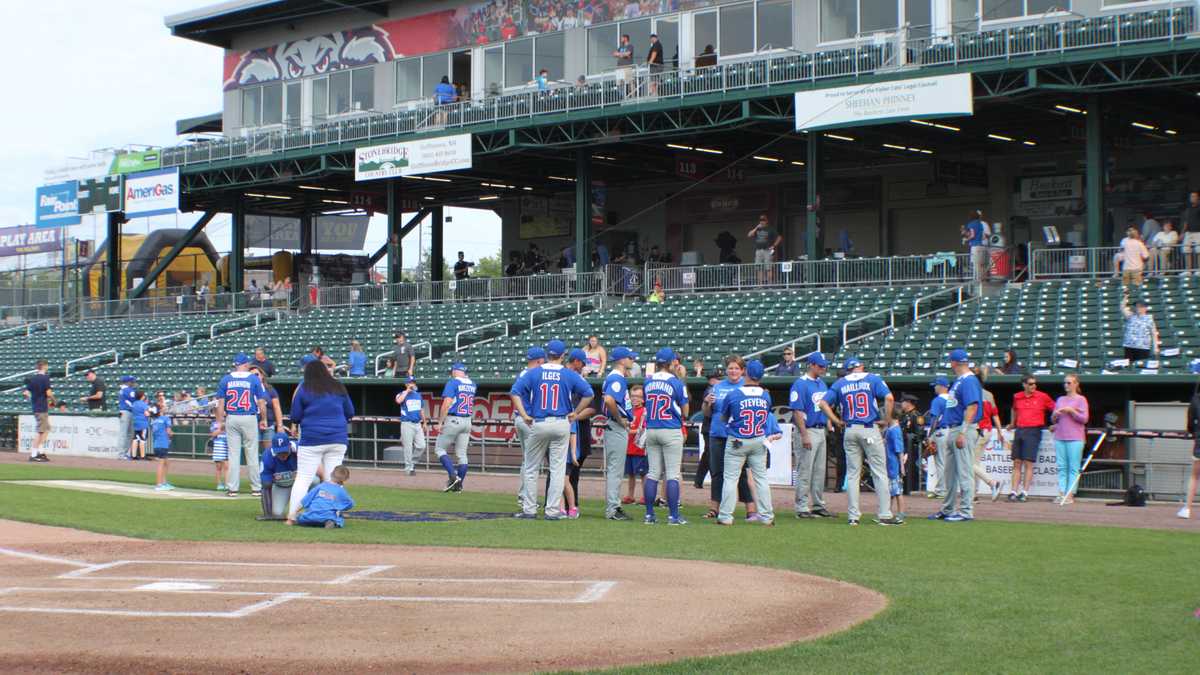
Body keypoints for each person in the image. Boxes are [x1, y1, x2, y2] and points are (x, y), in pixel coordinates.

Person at [510, 340, 594, 520]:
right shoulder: (568, 374)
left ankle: (529, 510)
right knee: (557, 469)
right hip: (561, 422)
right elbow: (589, 394)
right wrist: (576, 412)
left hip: (539, 422)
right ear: (563, 356)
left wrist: (524, 414)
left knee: (531, 468)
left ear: (547, 355)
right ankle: (552, 511)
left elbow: (515, 392)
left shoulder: (535, 372)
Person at [818, 357, 899, 526]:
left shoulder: (841, 383)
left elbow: (823, 403)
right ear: (861, 367)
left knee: (853, 474)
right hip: (869, 427)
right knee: (879, 472)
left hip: (850, 428)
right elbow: (889, 398)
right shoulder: (872, 378)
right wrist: (887, 420)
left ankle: (853, 515)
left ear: (848, 370)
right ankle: (884, 514)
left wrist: (836, 420)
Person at [286, 360, 356, 523]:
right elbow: (350, 412)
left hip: (312, 439)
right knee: (333, 479)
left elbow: (295, 416)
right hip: (337, 438)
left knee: (303, 478)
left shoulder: (304, 388)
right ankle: (333, 514)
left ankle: (292, 515)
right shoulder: (338, 386)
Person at [714, 359, 780, 526]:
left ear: (746, 373)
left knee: (730, 479)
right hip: (758, 439)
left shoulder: (734, 394)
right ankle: (767, 516)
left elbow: (723, 417)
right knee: (761, 480)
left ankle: (726, 516)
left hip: (737, 439)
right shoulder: (766, 395)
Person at [927, 349, 983, 522]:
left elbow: (972, 407)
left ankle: (966, 511)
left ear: (953, 362)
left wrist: (963, 432)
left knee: (965, 472)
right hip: (952, 428)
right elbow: (956, 407)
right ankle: (948, 509)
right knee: (949, 473)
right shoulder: (959, 381)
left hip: (962, 429)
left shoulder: (969, 380)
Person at [702, 355, 757, 521]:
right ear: (726, 370)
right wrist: (706, 403)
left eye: (736, 368)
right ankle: (714, 508)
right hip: (717, 434)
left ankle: (750, 509)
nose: (733, 371)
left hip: (738, 436)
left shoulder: (746, 386)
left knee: (740, 473)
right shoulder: (717, 387)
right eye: (730, 368)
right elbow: (707, 414)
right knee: (717, 472)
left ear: (742, 371)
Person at [638, 348, 690, 525]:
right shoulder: (676, 382)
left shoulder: (648, 382)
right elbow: (685, 411)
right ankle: (673, 516)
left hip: (652, 429)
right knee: (672, 474)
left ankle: (649, 515)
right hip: (671, 429)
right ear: (671, 363)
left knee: (653, 473)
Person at [216, 353, 269, 498]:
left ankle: (232, 488)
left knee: (233, 455)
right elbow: (261, 402)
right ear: (246, 364)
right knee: (252, 454)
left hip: (232, 417)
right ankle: (256, 488)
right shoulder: (253, 379)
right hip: (248, 416)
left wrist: (219, 422)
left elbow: (220, 404)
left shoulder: (226, 379)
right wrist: (263, 418)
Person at [790, 353, 835, 518]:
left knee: (819, 470)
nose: (824, 368)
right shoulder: (800, 384)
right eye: (820, 365)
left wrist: (829, 423)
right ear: (812, 365)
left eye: (824, 365)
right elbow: (797, 411)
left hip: (820, 429)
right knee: (805, 469)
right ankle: (801, 507)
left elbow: (825, 407)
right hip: (807, 430)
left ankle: (818, 505)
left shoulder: (821, 383)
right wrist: (804, 435)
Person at [601, 345, 637, 521]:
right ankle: (613, 509)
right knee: (615, 471)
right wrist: (619, 418)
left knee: (615, 470)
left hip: (615, 426)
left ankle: (614, 507)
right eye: (631, 358)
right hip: (616, 426)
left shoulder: (617, 377)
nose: (633, 360)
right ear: (622, 360)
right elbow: (609, 400)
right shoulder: (617, 378)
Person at [1007, 374, 1054, 502]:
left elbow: (1055, 409)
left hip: (1034, 430)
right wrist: (1012, 423)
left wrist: (1055, 424)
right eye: (1031, 384)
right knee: (1016, 461)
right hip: (1020, 430)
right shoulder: (1017, 396)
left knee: (1028, 462)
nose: (1034, 386)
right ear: (1024, 385)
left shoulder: (1042, 396)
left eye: (1034, 383)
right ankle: (1013, 491)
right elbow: (1014, 409)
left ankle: (1025, 492)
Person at [511, 346, 546, 511]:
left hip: (520, 418)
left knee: (527, 460)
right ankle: (526, 497)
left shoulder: (523, 373)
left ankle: (523, 495)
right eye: (543, 360)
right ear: (539, 360)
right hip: (529, 420)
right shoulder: (535, 374)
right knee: (532, 462)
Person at [434, 362, 476, 492]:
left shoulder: (453, 382)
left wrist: (440, 422)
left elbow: (446, 404)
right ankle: (458, 486)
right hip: (467, 420)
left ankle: (453, 477)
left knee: (439, 449)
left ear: (454, 371)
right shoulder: (473, 384)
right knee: (462, 455)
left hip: (454, 419)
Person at [1052, 374, 1089, 506]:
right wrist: (1055, 415)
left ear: (1076, 384)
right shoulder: (1060, 399)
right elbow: (1053, 419)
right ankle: (1062, 492)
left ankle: (1070, 494)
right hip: (1060, 436)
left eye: (1069, 383)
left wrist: (1071, 411)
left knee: (1073, 467)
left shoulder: (1081, 399)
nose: (1066, 385)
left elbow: (1084, 419)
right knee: (1062, 467)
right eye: (1065, 383)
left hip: (1075, 437)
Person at [971, 379, 1004, 502]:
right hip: (988, 431)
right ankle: (973, 494)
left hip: (978, 431)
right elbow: (995, 415)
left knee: (969, 463)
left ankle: (992, 483)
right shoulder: (989, 394)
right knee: (975, 463)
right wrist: (1000, 432)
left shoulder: (971, 393)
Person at [259, 432, 297, 520]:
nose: (282, 454)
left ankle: (311, 511)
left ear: (290, 446)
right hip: (283, 486)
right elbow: (266, 485)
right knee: (276, 512)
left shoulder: (300, 449)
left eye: (284, 451)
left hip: (301, 484)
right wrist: (267, 514)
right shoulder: (267, 455)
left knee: (315, 480)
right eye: (279, 452)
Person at [394, 377, 428, 476]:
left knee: (421, 446)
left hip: (417, 424)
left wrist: (424, 423)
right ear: (406, 384)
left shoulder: (418, 395)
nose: (412, 384)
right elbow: (398, 401)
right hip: (407, 423)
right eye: (410, 382)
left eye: (413, 382)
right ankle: (409, 469)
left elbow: (421, 410)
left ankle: (412, 463)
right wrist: (407, 391)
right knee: (408, 447)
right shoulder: (401, 394)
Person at [925, 376, 952, 499]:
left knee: (940, 462)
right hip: (952, 431)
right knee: (948, 462)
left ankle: (941, 490)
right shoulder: (953, 399)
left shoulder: (937, 400)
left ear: (941, 386)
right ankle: (946, 489)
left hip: (940, 432)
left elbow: (935, 419)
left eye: (936, 385)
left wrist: (930, 436)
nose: (934, 388)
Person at [1179, 369, 1200, 519]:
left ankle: (1187, 508)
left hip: (1199, 441)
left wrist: (1192, 431)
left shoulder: (1195, 400)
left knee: (1194, 476)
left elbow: (1190, 424)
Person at [23, 360, 53, 462]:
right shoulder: (45, 378)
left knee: (46, 429)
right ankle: (34, 454)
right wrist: (54, 400)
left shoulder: (33, 378)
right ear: (44, 366)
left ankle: (40, 451)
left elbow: (26, 393)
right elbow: (48, 393)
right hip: (41, 408)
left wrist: (33, 398)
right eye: (46, 365)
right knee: (41, 431)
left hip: (37, 407)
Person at [624, 384, 648, 505]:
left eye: (638, 396)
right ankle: (630, 495)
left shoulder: (644, 411)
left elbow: (643, 430)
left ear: (643, 398)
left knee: (643, 474)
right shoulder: (627, 410)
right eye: (632, 396)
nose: (635, 399)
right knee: (631, 474)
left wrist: (628, 431)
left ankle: (646, 496)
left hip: (639, 448)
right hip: (627, 447)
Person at [884, 411, 907, 523]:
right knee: (891, 491)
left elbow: (899, 450)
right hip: (890, 464)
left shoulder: (895, 430)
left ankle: (901, 514)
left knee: (897, 491)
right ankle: (887, 512)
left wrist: (901, 466)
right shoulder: (891, 429)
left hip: (894, 465)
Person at [1121, 298, 1159, 362]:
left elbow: (1154, 333)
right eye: (1136, 306)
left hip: (1143, 347)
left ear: (1145, 308)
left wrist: (1155, 347)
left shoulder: (1149, 318)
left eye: (1140, 306)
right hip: (1129, 346)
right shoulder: (1131, 316)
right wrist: (1125, 298)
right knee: (1129, 366)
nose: (1138, 308)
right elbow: (1122, 308)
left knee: (1140, 366)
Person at [747, 213, 782, 284]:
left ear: (766, 221)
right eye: (760, 220)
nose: (762, 221)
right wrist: (756, 227)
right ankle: (760, 285)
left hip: (767, 250)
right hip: (758, 250)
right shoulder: (757, 229)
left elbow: (779, 237)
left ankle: (770, 285)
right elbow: (749, 235)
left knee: (768, 268)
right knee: (759, 268)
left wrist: (774, 245)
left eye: (763, 220)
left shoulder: (770, 229)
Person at [150, 405, 174, 491]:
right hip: (163, 444)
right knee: (161, 464)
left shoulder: (153, 421)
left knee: (167, 463)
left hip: (157, 444)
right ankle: (159, 484)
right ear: (159, 411)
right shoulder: (165, 418)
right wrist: (171, 434)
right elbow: (169, 432)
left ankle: (164, 482)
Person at [963, 210, 988, 282]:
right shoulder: (980, 224)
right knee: (982, 264)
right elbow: (983, 236)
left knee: (975, 263)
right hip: (981, 245)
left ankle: (976, 279)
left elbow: (972, 235)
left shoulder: (971, 224)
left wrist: (966, 239)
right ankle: (983, 279)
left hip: (975, 246)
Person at [117, 375, 138, 460]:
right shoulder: (128, 390)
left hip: (126, 412)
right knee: (124, 433)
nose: (134, 383)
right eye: (132, 381)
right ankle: (121, 454)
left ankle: (124, 454)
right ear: (128, 382)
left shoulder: (123, 390)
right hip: (126, 412)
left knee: (128, 434)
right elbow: (134, 401)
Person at [1180, 190, 1200, 273]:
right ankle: (1188, 270)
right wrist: (1182, 233)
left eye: (1194, 196)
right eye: (1191, 196)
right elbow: (1186, 222)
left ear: (1198, 198)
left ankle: (1199, 269)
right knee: (1186, 249)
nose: (1192, 198)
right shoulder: (1188, 209)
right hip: (1188, 232)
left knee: (1199, 250)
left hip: (1198, 232)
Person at [129, 391, 150, 461]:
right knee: (142, 440)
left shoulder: (134, 403)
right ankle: (143, 456)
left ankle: (134, 456)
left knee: (135, 439)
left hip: (135, 423)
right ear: (142, 396)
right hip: (143, 423)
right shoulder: (143, 404)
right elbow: (147, 414)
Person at [209, 419, 228, 491]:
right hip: (218, 444)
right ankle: (219, 484)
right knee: (218, 467)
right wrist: (221, 428)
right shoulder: (214, 423)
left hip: (228, 443)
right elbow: (213, 434)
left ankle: (227, 484)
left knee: (227, 466)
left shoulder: (230, 420)